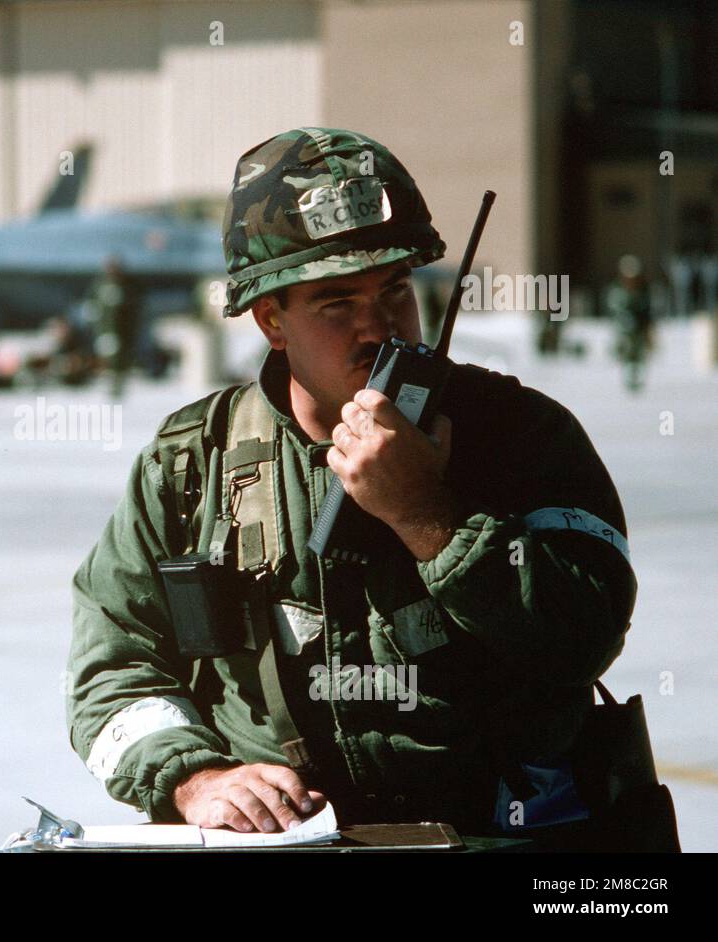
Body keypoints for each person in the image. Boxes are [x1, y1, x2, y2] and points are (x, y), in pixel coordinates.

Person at [66, 128, 639, 845]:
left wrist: (431, 519)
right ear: (272, 319)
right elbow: (112, 670)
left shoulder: (524, 438)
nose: (379, 327)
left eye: (395, 290)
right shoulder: (191, 464)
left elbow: (584, 634)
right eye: (337, 303)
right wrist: (196, 778)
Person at [86, 256, 142, 398]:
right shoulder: (99, 286)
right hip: (105, 332)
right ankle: (110, 387)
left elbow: (134, 311)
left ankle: (119, 387)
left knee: (120, 362)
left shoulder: (128, 286)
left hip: (123, 333)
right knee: (108, 360)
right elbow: (93, 307)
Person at [604, 254, 655, 393]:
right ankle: (628, 379)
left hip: (638, 330)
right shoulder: (617, 290)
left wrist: (648, 329)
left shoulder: (643, 290)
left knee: (638, 356)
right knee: (626, 354)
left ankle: (637, 380)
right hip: (624, 331)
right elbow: (615, 309)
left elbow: (647, 311)